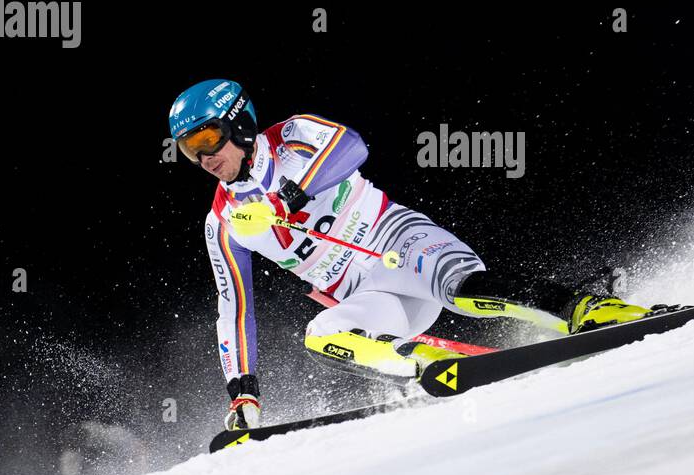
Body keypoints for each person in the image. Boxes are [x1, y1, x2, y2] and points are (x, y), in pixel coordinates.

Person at [168, 78, 654, 432]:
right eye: (190, 150)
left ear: (240, 125)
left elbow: (351, 147)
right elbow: (235, 309)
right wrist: (243, 390)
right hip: (369, 295)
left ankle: (588, 310)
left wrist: (288, 198)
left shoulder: (293, 135)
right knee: (321, 334)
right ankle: (424, 362)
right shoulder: (222, 223)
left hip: (395, 242)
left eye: (208, 139)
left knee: (461, 288)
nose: (204, 158)